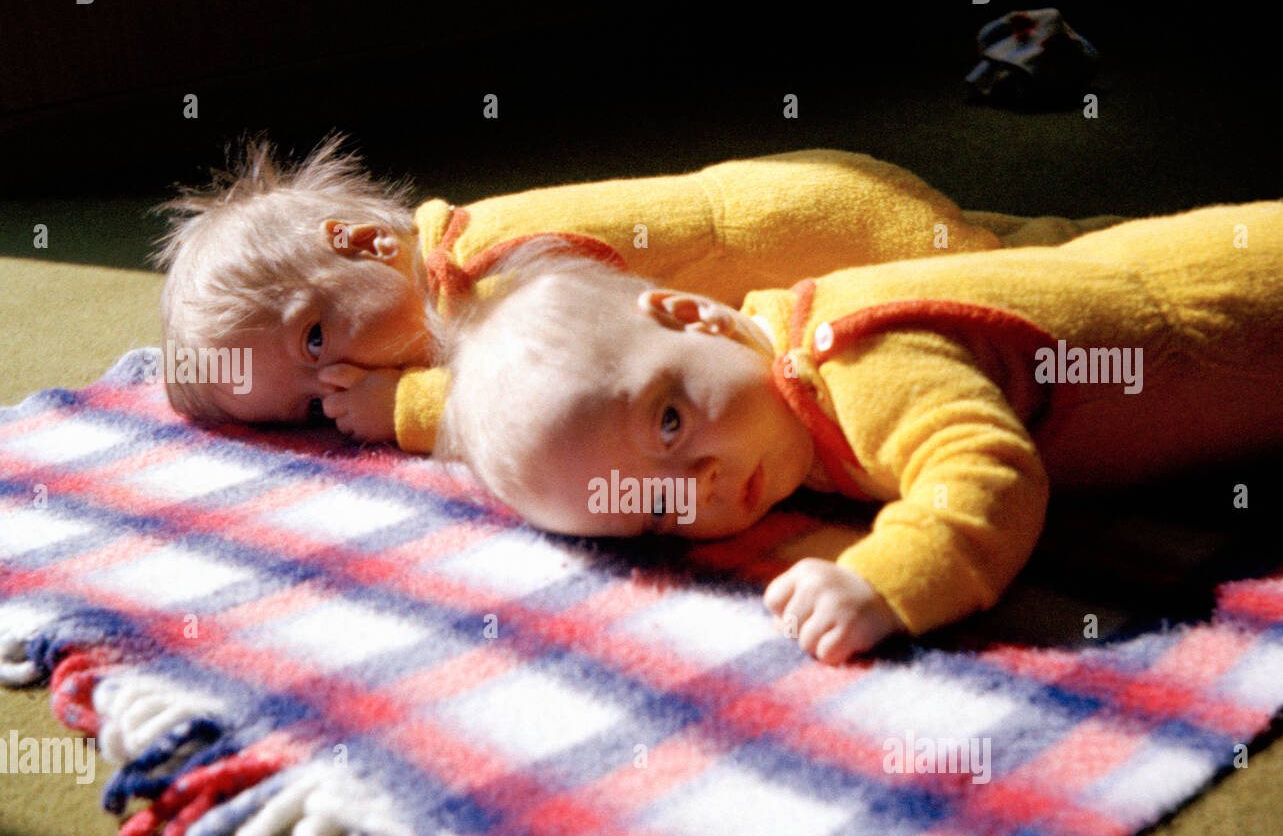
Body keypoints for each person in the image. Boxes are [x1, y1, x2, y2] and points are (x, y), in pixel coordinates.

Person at [426, 200, 1283, 663]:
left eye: (670, 422)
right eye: (654, 512)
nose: (701, 487)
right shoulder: (764, 389)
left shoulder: (850, 367)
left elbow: (988, 470)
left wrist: (885, 580)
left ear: (696, 319)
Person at [154, 135, 1107, 440]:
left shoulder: (482, 261)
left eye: (315, 339)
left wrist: (405, 407)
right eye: (306, 403)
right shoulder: (440, 294)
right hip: (807, 221)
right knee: (1039, 249)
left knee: (1037, 286)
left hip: (827, 220)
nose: (337, 380)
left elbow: (550, 392)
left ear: (364, 242)